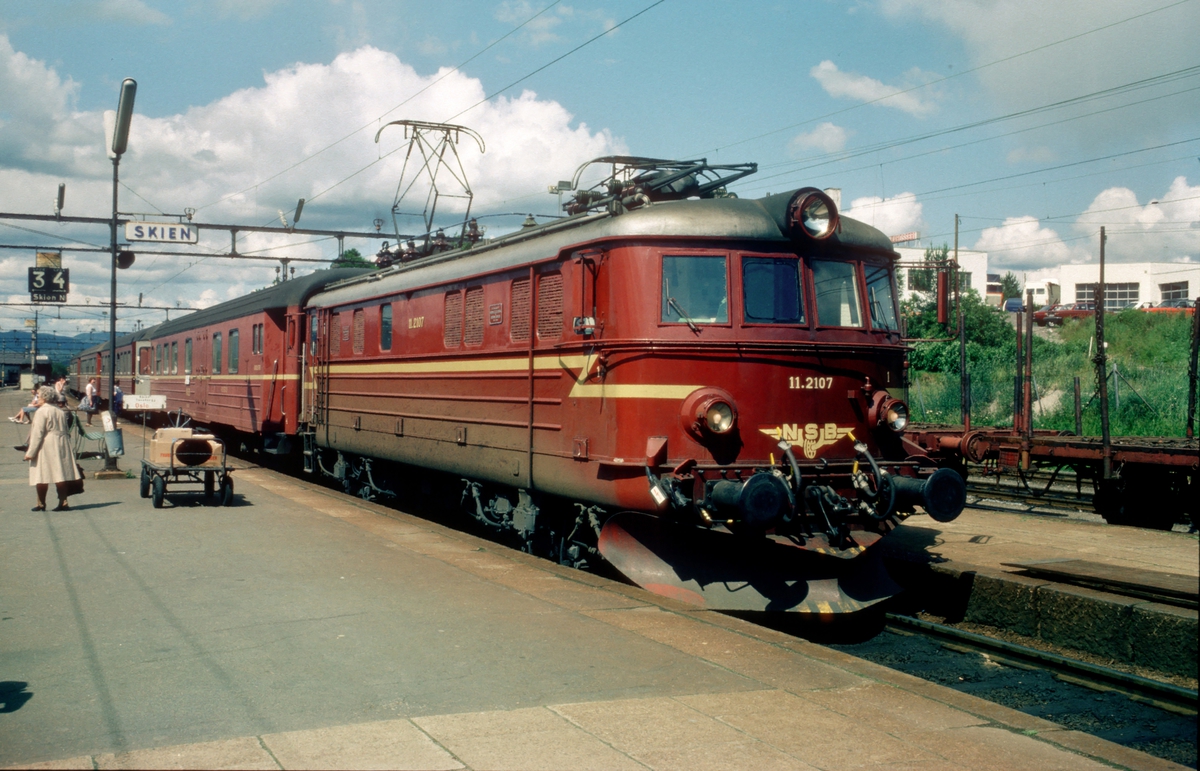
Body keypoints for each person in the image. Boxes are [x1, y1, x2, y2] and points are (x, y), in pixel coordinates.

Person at [24, 385, 83, 512]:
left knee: (41, 475)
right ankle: (63, 502)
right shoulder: (60, 411)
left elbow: (37, 434)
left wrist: (30, 452)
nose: (37, 398)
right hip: (61, 444)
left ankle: (41, 503)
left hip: (46, 445)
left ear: (45, 398)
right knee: (60, 474)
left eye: (39, 396)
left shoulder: (41, 412)